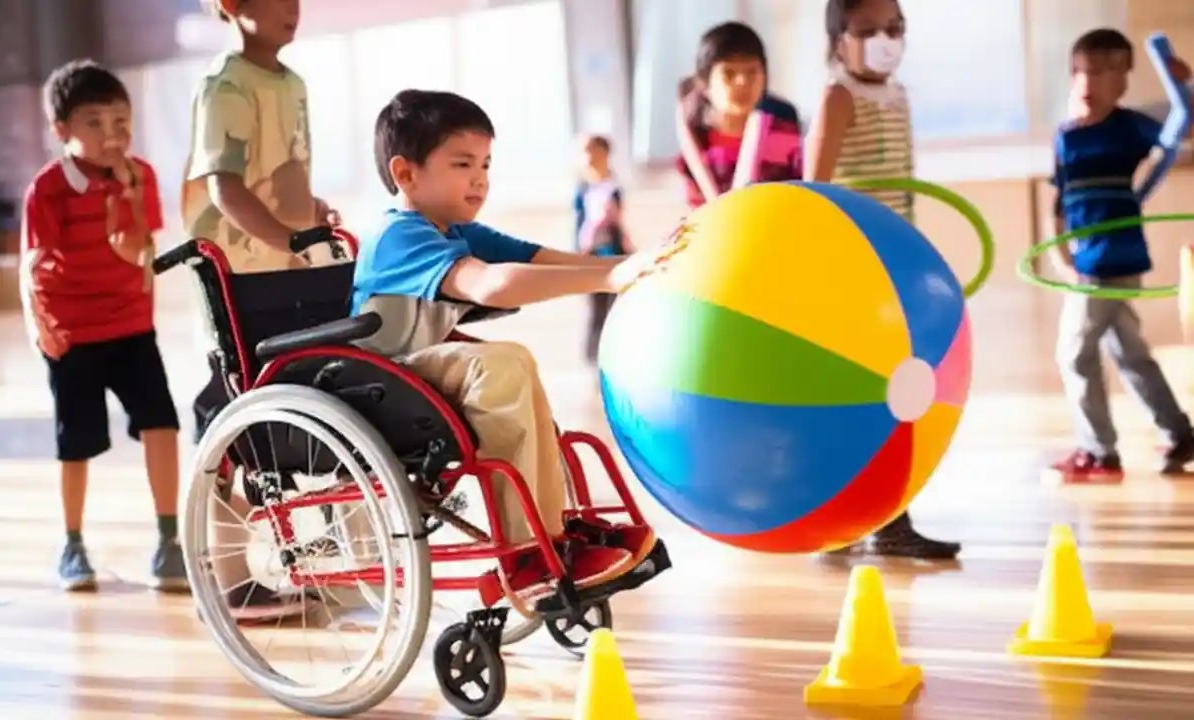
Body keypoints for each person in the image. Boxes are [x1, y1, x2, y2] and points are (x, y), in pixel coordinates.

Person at [354, 89, 664, 612]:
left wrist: (629, 269)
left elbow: (544, 259)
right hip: (384, 382)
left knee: (516, 369)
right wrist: (611, 275)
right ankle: (526, 554)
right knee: (507, 362)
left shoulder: (454, 230)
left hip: (414, 372)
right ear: (406, 174)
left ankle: (554, 533)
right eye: (462, 164)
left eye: (486, 164)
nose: (480, 178)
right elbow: (492, 284)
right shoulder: (398, 237)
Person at [183, 0, 343, 620]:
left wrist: (311, 212)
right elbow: (225, 187)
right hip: (239, 276)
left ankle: (302, 543)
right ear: (231, 6)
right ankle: (226, 580)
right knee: (232, 411)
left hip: (289, 266)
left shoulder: (292, 83)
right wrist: (288, 236)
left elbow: (282, 175)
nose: (290, 10)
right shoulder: (224, 86)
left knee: (291, 401)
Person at [20, 59, 185, 592]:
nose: (113, 133)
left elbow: (141, 249)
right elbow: (34, 262)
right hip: (73, 333)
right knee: (77, 443)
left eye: (121, 121)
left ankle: (168, 541)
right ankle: (72, 543)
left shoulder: (142, 175)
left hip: (132, 326)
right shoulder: (47, 190)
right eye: (96, 122)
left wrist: (128, 206)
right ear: (62, 130)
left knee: (162, 424)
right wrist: (40, 324)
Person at [805, 0, 958, 560]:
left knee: (900, 392)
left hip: (894, 266)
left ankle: (883, 518)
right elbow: (814, 189)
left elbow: (901, 188)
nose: (884, 40)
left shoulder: (895, 95)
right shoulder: (838, 96)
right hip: (855, 269)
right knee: (868, 393)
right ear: (837, 39)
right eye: (867, 31)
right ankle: (846, 517)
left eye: (894, 29)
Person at [1046, 29, 1194, 480]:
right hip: (1085, 257)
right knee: (1130, 353)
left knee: (1073, 352)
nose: (1087, 82)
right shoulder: (1066, 136)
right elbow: (1060, 196)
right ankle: (1181, 433)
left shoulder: (1128, 127)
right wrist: (1059, 248)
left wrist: (1182, 87)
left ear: (1123, 81)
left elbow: (1179, 130)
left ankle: (1098, 451)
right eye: (1080, 72)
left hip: (1110, 258)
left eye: (1100, 72)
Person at [676, 21, 803, 209]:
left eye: (752, 71)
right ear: (705, 83)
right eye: (729, 73)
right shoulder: (698, 144)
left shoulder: (784, 132)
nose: (742, 82)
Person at [572, 134, 632, 362]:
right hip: (590, 254)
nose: (586, 157)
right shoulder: (582, 189)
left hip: (612, 251)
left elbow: (619, 222)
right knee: (595, 311)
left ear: (604, 153)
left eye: (590, 150)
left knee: (615, 308)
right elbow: (577, 224)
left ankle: (615, 355)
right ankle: (593, 361)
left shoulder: (613, 186)